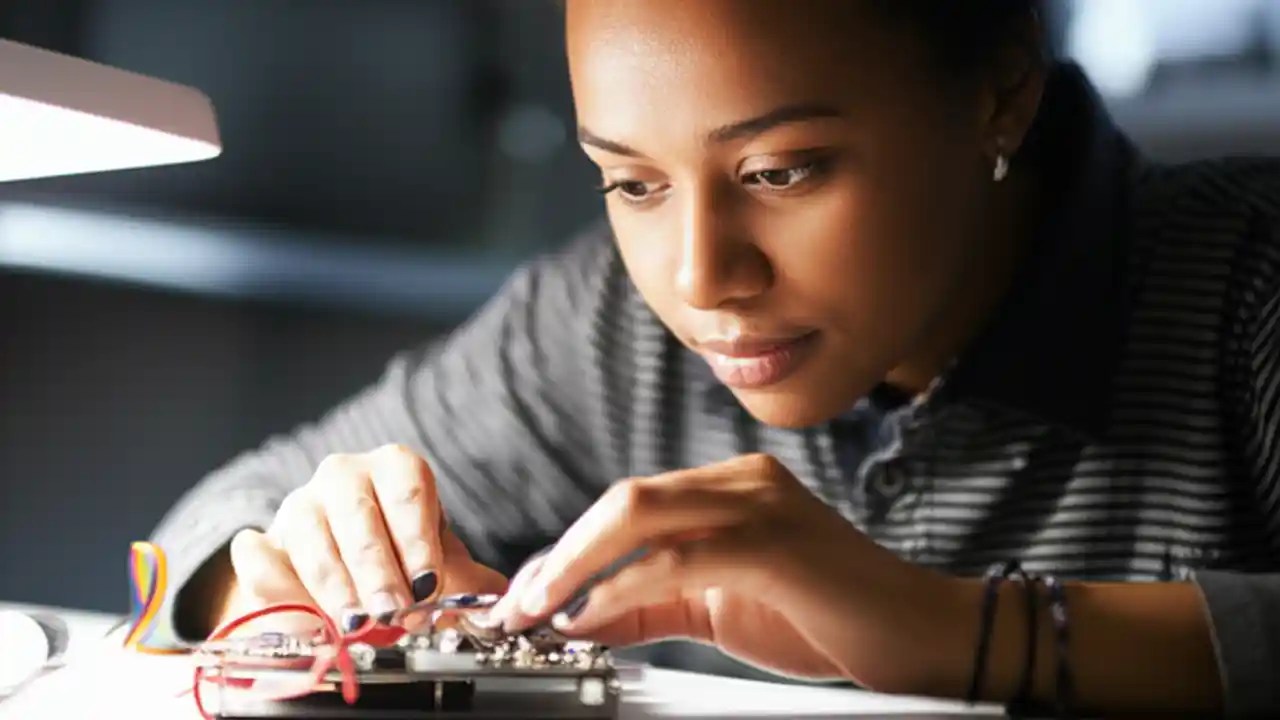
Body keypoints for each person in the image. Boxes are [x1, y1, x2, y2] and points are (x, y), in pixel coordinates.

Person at [151, 0, 1280, 715]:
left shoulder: (1248, 287)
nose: (697, 279)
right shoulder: (602, 325)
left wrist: (956, 633)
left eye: (782, 170)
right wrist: (286, 569)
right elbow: (210, 521)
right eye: (632, 182)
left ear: (999, 95)